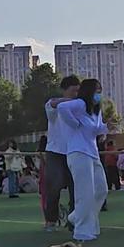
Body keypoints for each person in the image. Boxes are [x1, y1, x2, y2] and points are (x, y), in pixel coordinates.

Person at [58, 78, 109, 242]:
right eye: (97, 91)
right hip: (78, 152)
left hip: (92, 152)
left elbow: (97, 128)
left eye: (100, 91)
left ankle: (75, 217)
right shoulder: (79, 104)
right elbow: (61, 107)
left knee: (102, 189)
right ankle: (82, 230)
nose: (99, 95)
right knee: (85, 193)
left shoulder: (95, 110)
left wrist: (107, 128)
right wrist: (74, 123)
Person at [42, 76, 80, 231]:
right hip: (55, 152)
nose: (76, 94)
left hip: (74, 151)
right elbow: (52, 104)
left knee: (75, 188)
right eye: (73, 91)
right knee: (54, 186)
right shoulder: (53, 104)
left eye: (78, 91)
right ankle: (51, 220)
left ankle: (74, 221)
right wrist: (70, 101)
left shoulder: (78, 106)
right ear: (65, 90)